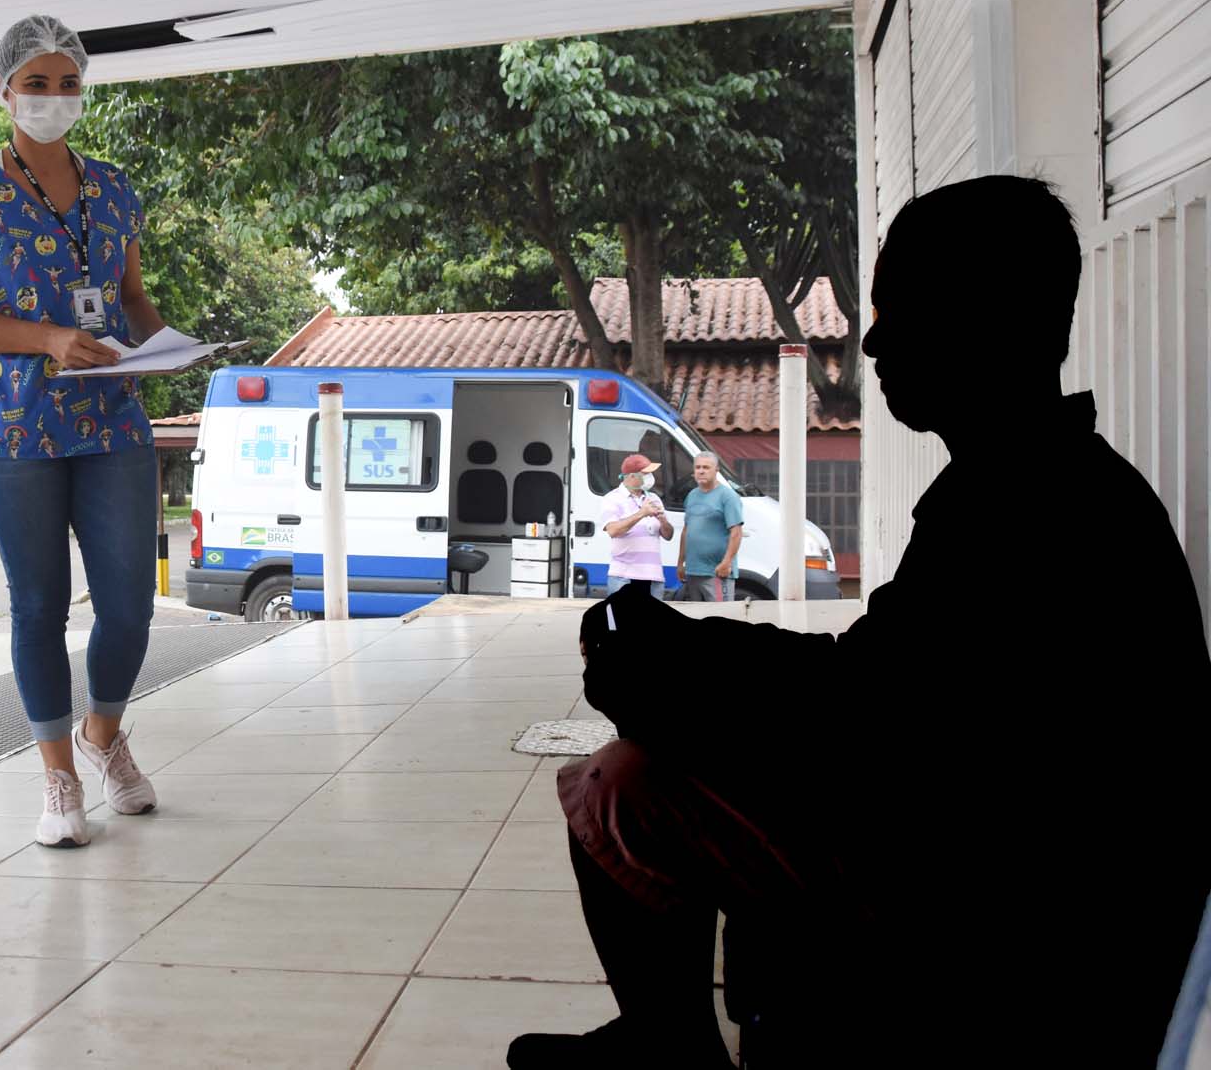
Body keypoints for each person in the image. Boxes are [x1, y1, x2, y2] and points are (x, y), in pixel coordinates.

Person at [509, 176, 1211, 1069]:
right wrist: (694, 657)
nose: (873, 339)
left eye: (897, 306)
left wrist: (680, 674)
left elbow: (859, 727)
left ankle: (669, 1052)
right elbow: (882, 684)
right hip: (1014, 875)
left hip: (1015, 926)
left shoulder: (1026, 508)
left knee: (622, 786)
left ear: (982, 316)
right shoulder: (1046, 485)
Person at [0, 14, 165, 848]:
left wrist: (158, 345)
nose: (54, 98)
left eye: (68, 83)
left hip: (112, 417)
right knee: (38, 605)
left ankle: (105, 733)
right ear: (3, 92)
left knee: (131, 603)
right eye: (37, 82)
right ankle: (58, 773)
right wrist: (48, 338)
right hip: (11, 427)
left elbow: (131, 296)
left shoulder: (114, 185)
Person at [600, 453, 671, 596]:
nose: (651, 477)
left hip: (653, 578)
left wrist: (663, 520)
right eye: (646, 473)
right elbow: (613, 530)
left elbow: (668, 535)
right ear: (632, 476)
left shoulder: (654, 498)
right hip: (624, 578)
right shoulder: (612, 499)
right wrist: (641, 513)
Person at [676, 452, 742, 602]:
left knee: (720, 616)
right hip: (693, 571)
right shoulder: (692, 495)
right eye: (697, 467)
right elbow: (687, 531)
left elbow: (736, 533)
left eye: (706, 467)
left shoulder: (728, 496)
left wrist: (726, 562)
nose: (701, 471)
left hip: (717, 572)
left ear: (716, 470)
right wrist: (680, 562)